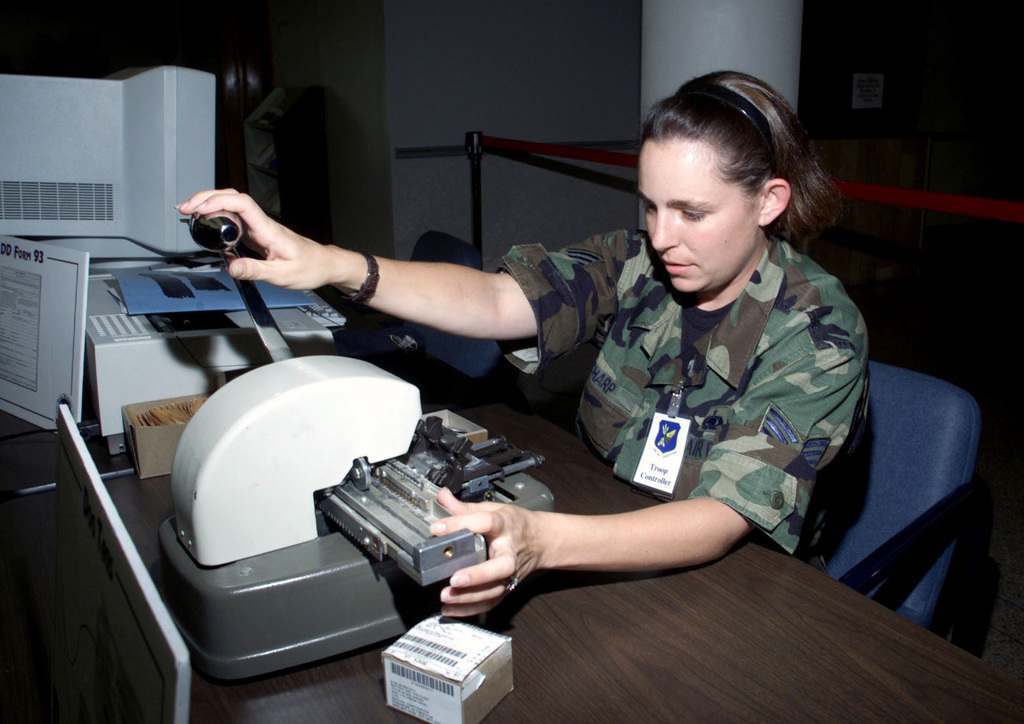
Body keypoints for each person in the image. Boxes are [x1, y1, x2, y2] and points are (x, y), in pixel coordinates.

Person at [178, 70, 868, 618]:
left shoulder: (816, 329)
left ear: (770, 202)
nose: (661, 237)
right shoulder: (641, 263)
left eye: (692, 213)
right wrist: (332, 263)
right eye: (651, 205)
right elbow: (496, 300)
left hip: (726, 587)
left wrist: (541, 541)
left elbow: (721, 518)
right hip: (605, 521)